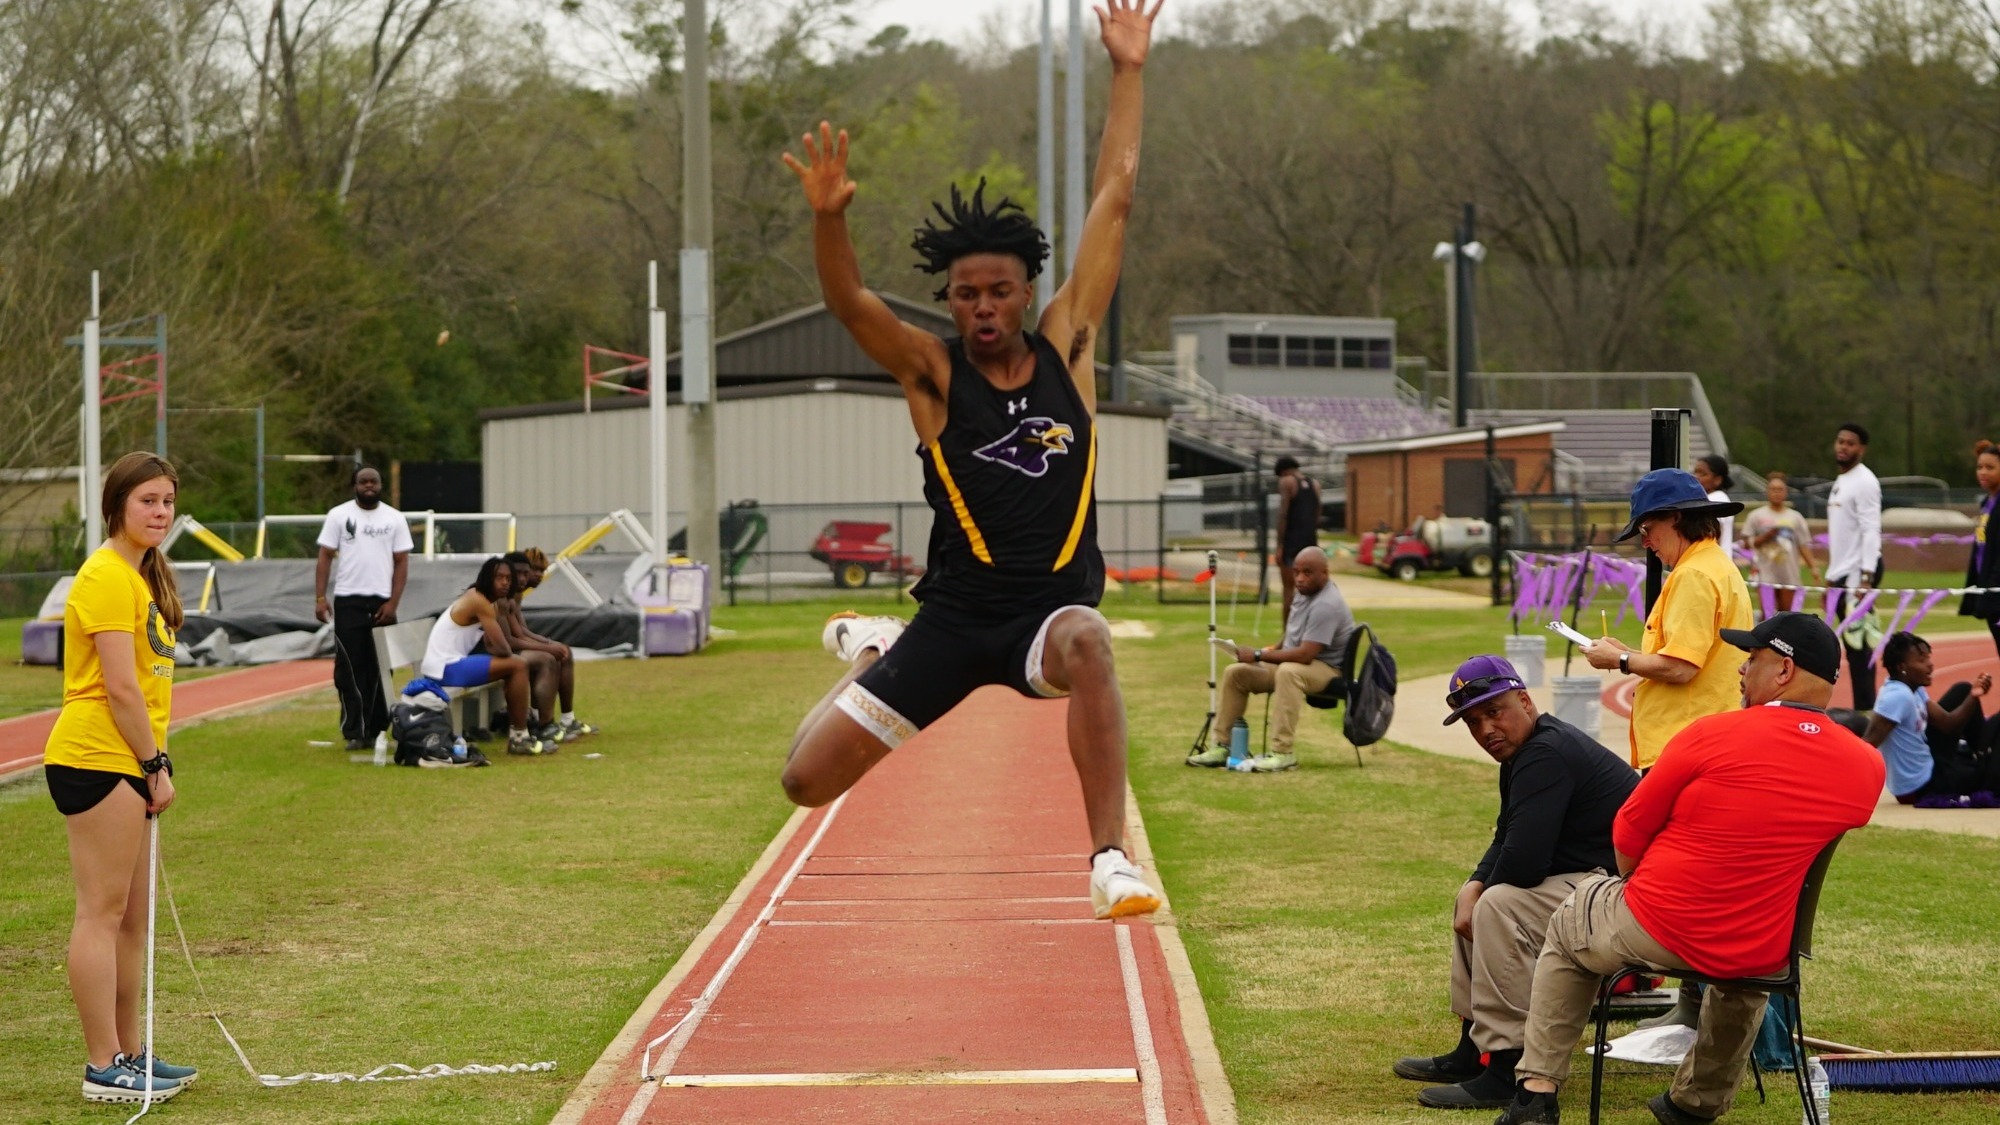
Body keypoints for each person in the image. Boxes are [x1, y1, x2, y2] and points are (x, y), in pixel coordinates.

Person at [777, 0, 1166, 920]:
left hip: (1048, 612)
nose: (984, 306)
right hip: (953, 623)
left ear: (1028, 292)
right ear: (949, 303)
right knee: (804, 780)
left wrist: (1128, 71)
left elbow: (1116, 195)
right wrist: (830, 221)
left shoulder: (1070, 346)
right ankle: (876, 648)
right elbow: (849, 304)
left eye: (1000, 291)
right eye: (965, 294)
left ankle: (1109, 855)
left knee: (1093, 641)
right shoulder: (933, 372)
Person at [1496, 613, 1884, 1125]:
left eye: (1753, 659)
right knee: (1746, 974)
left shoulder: (1711, 734)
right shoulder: (1866, 766)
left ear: (1784, 671)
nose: (1742, 671)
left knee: (1571, 921)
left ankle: (1537, 1093)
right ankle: (1694, 1104)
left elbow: (1628, 832)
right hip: (1762, 947)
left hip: (1660, 923)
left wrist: (1634, 882)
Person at [1392, 656, 1637, 1111]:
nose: (1486, 729)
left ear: (1525, 700)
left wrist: (1484, 890)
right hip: (1594, 884)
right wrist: (1473, 883)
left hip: (1624, 893)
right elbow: (1508, 835)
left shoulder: (1546, 752)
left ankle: (1507, 1066)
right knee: (1479, 898)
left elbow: (1524, 864)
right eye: (1473, 721)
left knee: (1500, 904)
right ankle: (1472, 1049)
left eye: (1494, 711)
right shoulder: (1527, 750)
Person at [45, 452, 199, 1103]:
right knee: (102, 913)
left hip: (127, 760)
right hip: (97, 756)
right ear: (118, 506)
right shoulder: (106, 575)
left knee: (133, 919)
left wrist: (149, 761)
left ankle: (131, 1051)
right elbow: (120, 687)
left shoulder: (141, 577)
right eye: (147, 500)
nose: (159, 511)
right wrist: (154, 764)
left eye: (167, 500)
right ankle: (101, 1061)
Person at [1584, 469, 1752, 770]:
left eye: (1647, 529)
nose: (1645, 542)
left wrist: (1619, 659)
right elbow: (1692, 657)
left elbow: (1680, 667)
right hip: (1706, 740)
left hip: (1686, 745)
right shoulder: (1714, 564)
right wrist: (1629, 654)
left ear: (1675, 518)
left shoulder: (1693, 575)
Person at [1184, 546, 1353, 772]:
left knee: (1288, 672)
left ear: (1325, 572)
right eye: (1297, 572)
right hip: (1296, 663)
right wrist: (1272, 649)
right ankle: (1224, 745)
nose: (1300, 578)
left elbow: (1305, 654)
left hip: (1328, 670)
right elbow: (1293, 634)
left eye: (1308, 572)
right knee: (1236, 673)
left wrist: (1258, 654)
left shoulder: (1326, 604)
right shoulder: (1302, 593)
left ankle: (1283, 752)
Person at [315, 466, 414, 751]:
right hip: (349, 601)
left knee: (381, 668)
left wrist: (393, 603)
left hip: (383, 601)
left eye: (373, 481)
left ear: (381, 485)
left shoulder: (394, 518)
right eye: (363, 481)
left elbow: (402, 563)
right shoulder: (338, 515)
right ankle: (355, 732)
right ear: (354, 485)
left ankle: (378, 728)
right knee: (348, 670)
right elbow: (324, 556)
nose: (369, 485)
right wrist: (320, 598)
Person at [421, 557, 558, 756]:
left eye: (508, 578)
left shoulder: (482, 599)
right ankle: (520, 738)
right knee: (518, 665)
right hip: (445, 668)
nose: (505, 582)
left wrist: (496, 648)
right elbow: (503, 648)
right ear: (486, 578)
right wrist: (498, 649)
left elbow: (497, 644)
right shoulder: (480, 601)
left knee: (514, 666)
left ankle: (518, 732)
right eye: (499, 577)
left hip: (445, 665)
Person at [1863, 632, 2000, 805]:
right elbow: (1867, 744)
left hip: (1929, 764)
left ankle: (1982, 757)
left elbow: (1949, 724)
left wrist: (1973, 696)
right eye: (1921, 661)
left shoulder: (1912, 687)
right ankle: (1986, 764)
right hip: (1922, 785)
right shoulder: (1897, 696)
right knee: (1989, 770)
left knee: (1963, 690)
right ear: (1902, 667)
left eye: (1928, 658)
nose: (1930, 665)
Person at [495, 550, 597, 741]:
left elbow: (520, 632)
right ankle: (544, 724)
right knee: (547, 659)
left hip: (499, 649)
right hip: (487, 654)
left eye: (540, 571)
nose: (537, 576)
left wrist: (549, 644)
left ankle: (562, 719)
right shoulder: (501, 596)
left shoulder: (513, 595)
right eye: (534, 571)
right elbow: (509, 639)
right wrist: (548, 647)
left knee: (559, 653)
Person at [1824, 422, 1883, 710]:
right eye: (1840, 441)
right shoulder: (1842, 480)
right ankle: (1862, 708)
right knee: (1850, 649)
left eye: (1850, 443)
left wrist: (1866, 578)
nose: (1843, 447)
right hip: (1840, 574)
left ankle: (1866, 712)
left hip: (1857, 576)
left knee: (1860, 650)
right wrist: (1830, 576)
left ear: (1861, 449)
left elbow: (1871, 530)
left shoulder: (1865, 481)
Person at [1741, 472, 1817, 611]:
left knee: (1788, 616)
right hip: (1765, 573)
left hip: (1788, 573)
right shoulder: (1756, 516)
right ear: (1767, 492)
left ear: (1786, 492)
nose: (1777, 493)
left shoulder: (1795, 517)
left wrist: (1813, 567)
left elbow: (1803, 545)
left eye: (1780, 489)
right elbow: (1746, 544)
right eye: (1773, 489)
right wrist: (1765, 537)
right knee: (1768, 615)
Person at [1958, 441, 2000, 661]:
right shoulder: (1987, 503)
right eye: (1979, 467)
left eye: (1990, 467)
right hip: (1987, 589)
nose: (1983, 472)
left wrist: (1991, 591)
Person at [1274, 456, 1321, 632]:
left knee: (1288, 590)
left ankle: (1287, 634)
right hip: (1310, 542)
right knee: (1312, 590)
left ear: (1283, 472)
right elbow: (1317, 514)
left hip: (1292, 543)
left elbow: (1283, 514)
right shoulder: (1315, 484)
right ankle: (1310, 630)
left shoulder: (1287, 482)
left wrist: (1280, 545)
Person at [1689, 454, 1734, 561]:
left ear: (1717, 479)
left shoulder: (1717, 499)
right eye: (1695, 472)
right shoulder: (1707, 498)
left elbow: (1712, 534)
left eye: (1703, 474)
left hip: (1714, 562)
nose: (1696, 477)